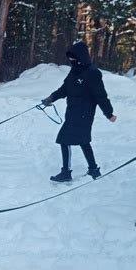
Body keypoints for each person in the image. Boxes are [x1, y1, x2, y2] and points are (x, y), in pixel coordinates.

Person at [42, 41, 117, 182]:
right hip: (72, 112)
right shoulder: (75, 71)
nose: (71, 61)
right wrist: (51, 98)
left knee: (64, 139)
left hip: (84, 114)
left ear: (81, 56)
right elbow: (64, 89)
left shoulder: (93, 73)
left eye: (73, 58)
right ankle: (93, 169)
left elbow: (101, 96)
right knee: (83, 141)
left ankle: (66, 172)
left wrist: (109, 114)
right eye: (70, 58)